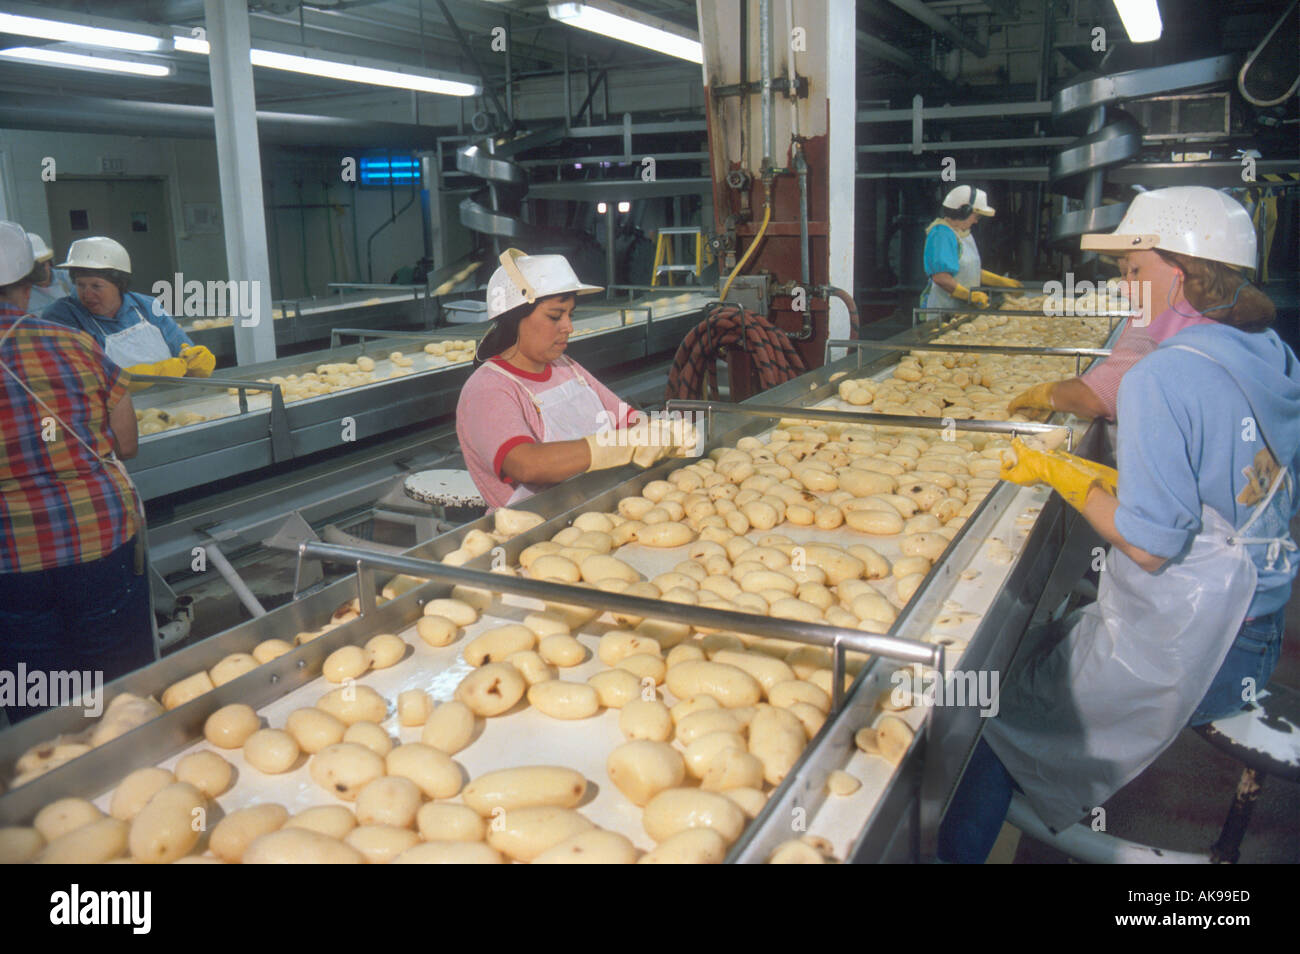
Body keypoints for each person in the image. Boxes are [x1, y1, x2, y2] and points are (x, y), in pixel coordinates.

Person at [938, 186, 1299, 863]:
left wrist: (1062, 474)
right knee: (1045, 645)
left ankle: (952, 851)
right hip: (1259, 627)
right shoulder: (1269, 352)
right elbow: (1214, 491)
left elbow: (1151, 545)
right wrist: (1108, 479)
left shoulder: (1162, 379)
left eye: (1134, 270)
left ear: (1182, 275)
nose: (1122, 286)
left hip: (1202, 646)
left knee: (985, 711)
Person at [0, 221, 154, 723]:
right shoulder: (73, 342)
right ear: (32, 280)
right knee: (119, 682)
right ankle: (136, 775)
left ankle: (55, 784)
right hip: (98, 538)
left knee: (38, 695)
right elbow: (125, 445)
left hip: (12, 559)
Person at [456, 248, 697, 510]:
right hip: (535, 531)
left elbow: (625, 418)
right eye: (555, 316)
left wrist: (663, 432)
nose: (568, 327)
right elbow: (527, 464)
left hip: (599, 506)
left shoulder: (565, 367)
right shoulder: (488, 389)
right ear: (515, 319)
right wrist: (620, 445)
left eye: (571, 314)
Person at [40, 236, 215, 383]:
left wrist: (195, 361)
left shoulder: (147, 307)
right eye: (80, 285)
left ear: (119, 284)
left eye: (96, 286)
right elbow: (80, 379)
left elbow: (183, 350)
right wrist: (155, 372)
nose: (87, 294)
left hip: (169, 402)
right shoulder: (61, 316)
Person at [919, 185, 1020, 314]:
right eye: (977, 216)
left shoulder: (962, 233)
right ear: (964, 211)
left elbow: (967, 269)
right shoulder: (941, 234)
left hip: (962, 308)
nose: (976, 222)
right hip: (945, 309)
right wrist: (969, 296)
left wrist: (1000, 282)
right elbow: (941, 277)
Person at [23, 232, 74, 315]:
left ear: (49, 262)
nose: (39, 271)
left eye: (42, 265)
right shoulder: (23, 293)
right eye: (34, 268)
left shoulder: (68, 279)